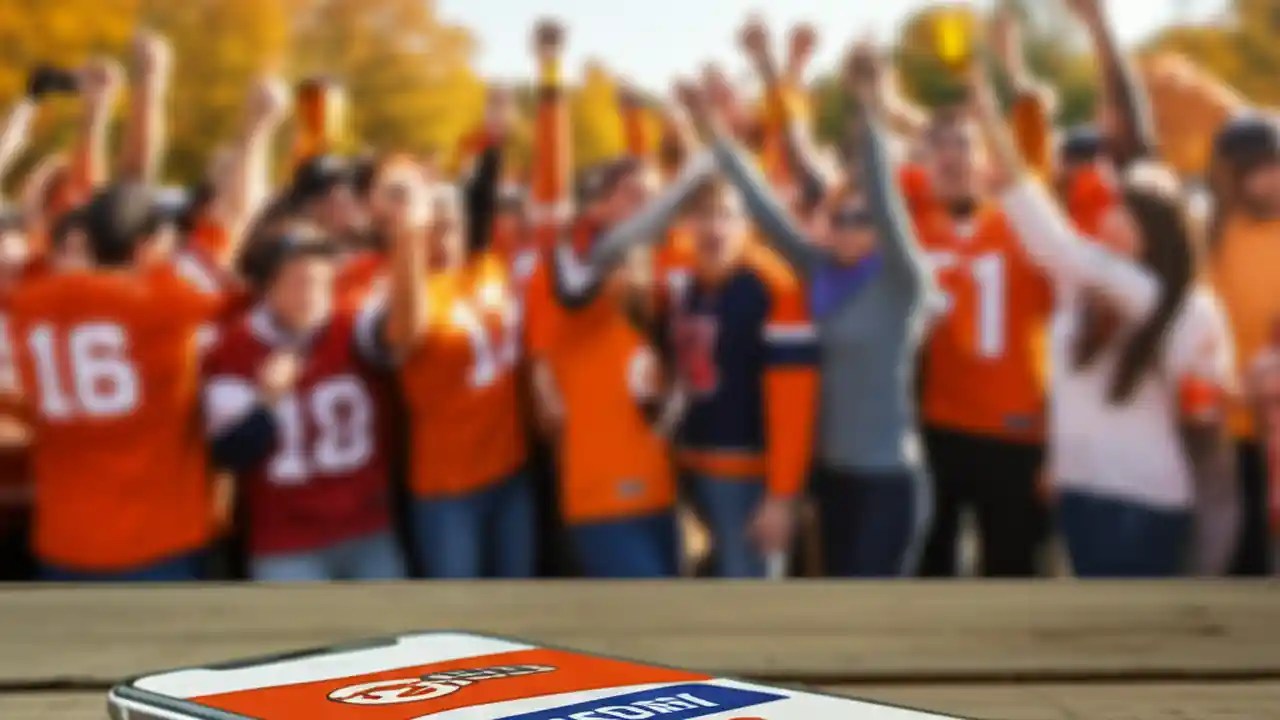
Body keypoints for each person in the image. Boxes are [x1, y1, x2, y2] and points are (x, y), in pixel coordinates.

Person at [971, 61, 1235, 578]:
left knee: (1134, 649)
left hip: (1140, 502)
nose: (1106, 213)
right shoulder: (1090, 288)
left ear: (1152, 230)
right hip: (1082, 493)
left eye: (1121, 208)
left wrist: (990, 118)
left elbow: (1055, 242)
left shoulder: (1159, 297)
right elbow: (1050, 246)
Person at [694, 34, 934, 577]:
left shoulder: (902, 279)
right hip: (829, 478)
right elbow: (760, 205)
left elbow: (886, 197)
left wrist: (869, 108)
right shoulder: (820, 274)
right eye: (840, 217)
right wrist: (712, 133)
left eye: (861, 219)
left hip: (887, 480)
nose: (849, 227)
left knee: (871, 618)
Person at [524, 20, 706, 577]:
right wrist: (552, 81)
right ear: (598, 208)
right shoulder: (575, 263)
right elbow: (544, 334)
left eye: (652, 197)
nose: (647, 207)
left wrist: (689, 129)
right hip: (602, 491)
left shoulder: (668, 259)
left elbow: (703, 197)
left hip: (664, 484)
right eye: (631, 196)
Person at [373, 124, 536, 579]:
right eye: (435, 229)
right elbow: (406, 334)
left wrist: (493, 133)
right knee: (462, 618)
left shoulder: (488, 268)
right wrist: (408, 230)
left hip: (510, 473)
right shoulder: (412, 292)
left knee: (515, 605)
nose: (445, 239)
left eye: (454, 227)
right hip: (448, 491)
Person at [911, 84, 1053, 578]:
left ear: (988, 156)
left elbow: (1032, 164)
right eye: (939, 147)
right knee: (931, 570)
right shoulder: (913, 230)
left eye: (963, 144)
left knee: (1011, 571)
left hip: (1013, 429)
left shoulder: (1022, 226)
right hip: (937, 426)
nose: (951, 157)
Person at [1206, 116, 1280, 576]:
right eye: (1249, 168)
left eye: (1269, 165)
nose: (1262, 178)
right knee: (1239, 552)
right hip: (1228, 426)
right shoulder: (1210, 232)